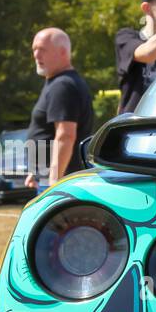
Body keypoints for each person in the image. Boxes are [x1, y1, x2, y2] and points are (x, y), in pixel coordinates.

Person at [22, 28, 94, 190]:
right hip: (50, 178)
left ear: (62, 52)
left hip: (61, 183)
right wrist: (35, 172)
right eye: (34, 49)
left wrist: (54, 181)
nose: (36, 55)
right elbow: (47, 134)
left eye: (42, 49)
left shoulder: (63, 85)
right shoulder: (57, 82)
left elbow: (65, 136)